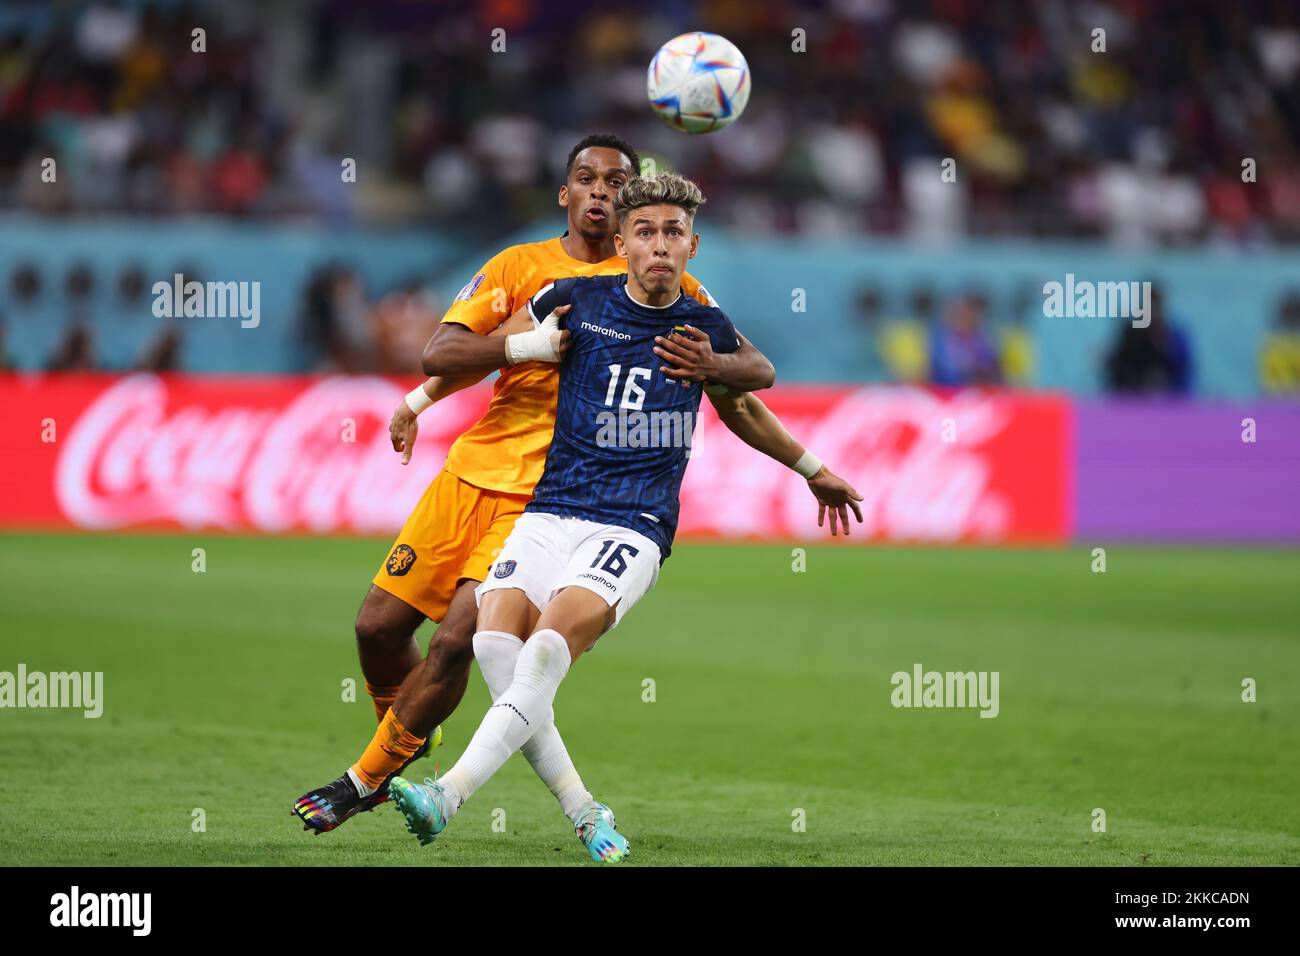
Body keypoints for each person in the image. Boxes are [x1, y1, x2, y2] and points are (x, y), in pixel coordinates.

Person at [291, 135, 824, 853]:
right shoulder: (528, 271)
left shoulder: (665, 279)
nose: (603, 192)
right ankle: (411, 735)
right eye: (588, 179)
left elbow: (737, 387)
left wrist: (808, 464)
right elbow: (463, 350)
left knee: (461, 643)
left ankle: (375, 771)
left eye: (618, 182)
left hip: (554, 489)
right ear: (565, 194)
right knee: (377, 630)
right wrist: (420, 399)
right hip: (474, 468)